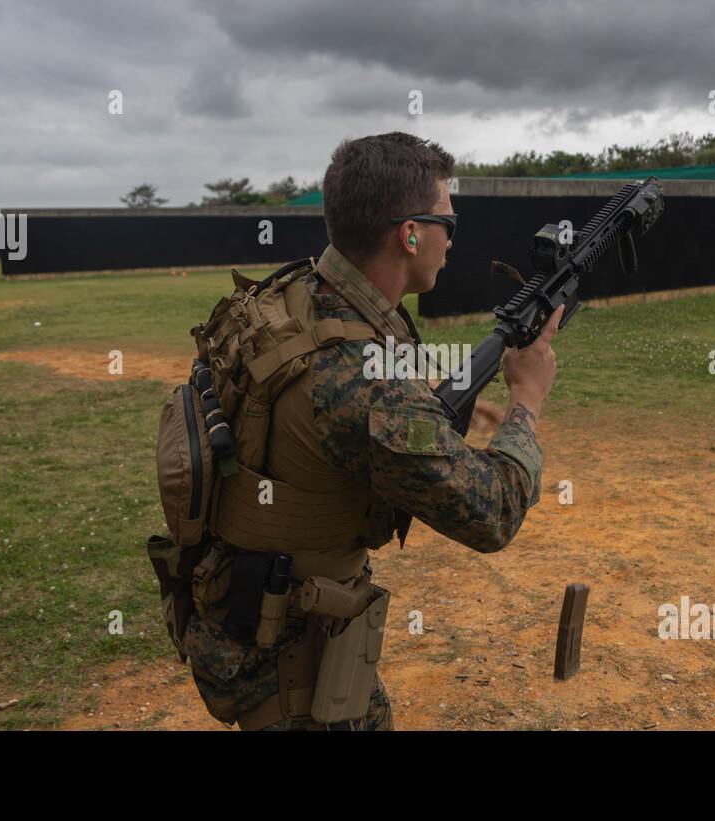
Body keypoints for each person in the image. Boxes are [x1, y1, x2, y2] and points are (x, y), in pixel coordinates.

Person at [183, 132, 562, 730]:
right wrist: (526, 401)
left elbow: (346, 398)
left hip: (239, 613)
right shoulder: (366, 385)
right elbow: (493, 512)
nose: (452, 236)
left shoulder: (293, 294)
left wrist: (434, 404)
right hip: (294, 668)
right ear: (410, 234)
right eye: (447, 220)